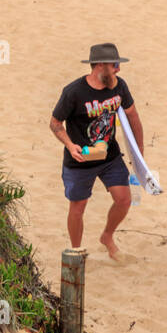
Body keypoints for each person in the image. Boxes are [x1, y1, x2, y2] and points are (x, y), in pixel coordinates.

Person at [50, 43, 144, 260]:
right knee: (78, 206)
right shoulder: (73, 92)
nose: (119, 69)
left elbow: (133, 117)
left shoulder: (119, 87)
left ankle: (107, 236)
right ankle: (76, 251)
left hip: (109, 156)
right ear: (100, 66)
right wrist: (69, 144)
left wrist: (139, 156)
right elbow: (55, 123)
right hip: (80, 159)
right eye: (116, 65)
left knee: (124, 199)